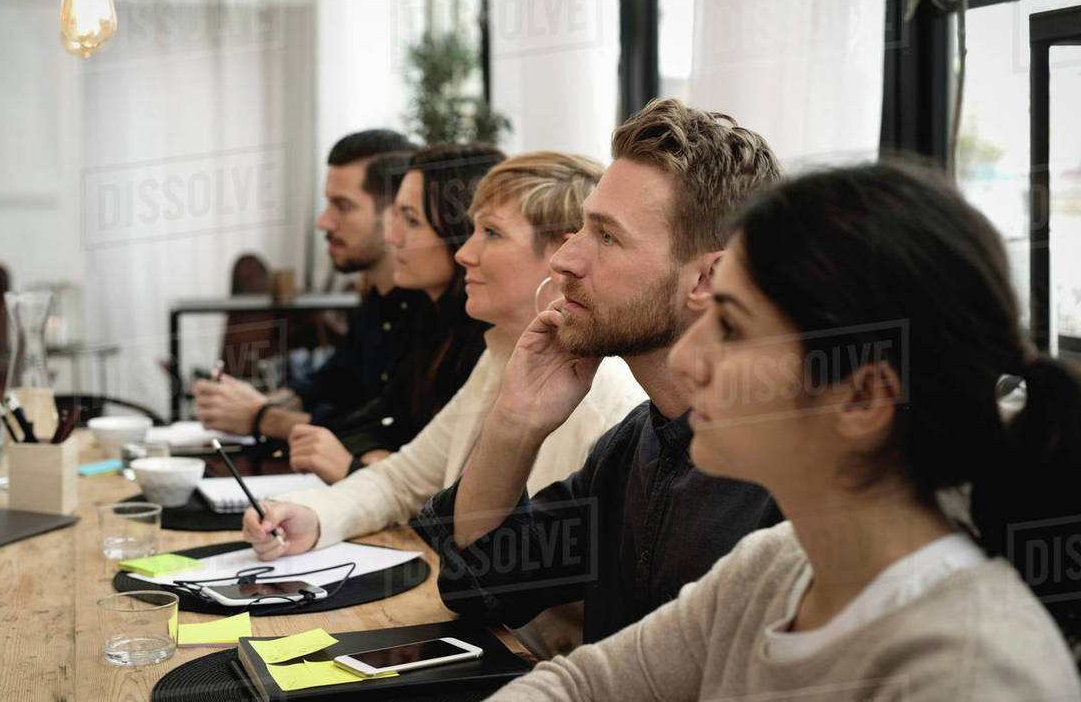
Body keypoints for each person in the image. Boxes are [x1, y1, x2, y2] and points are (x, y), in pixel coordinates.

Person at [484, 161, 1081, 701]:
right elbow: (579, 683)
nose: (691, 359)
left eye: (734, 328)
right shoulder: (775, 567)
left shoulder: (972, 674)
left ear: (864, 397)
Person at [242, 154, 647, 652]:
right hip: (483, 642)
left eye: (491, 234)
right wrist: (314, 516)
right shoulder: (502, 353)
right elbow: (403, 479)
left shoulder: (608, 402)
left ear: (562, 253)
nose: (464, 254)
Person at [415, 99, 785, 644]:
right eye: (583, 229)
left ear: (708, 280)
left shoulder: (793, 476)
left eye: (606, 237)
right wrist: (515, 422)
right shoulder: (629, 450)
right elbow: (481, 583)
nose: (564, 260)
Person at [281, 143, 505, 482]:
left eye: (411, 221)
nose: (392, 236)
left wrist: (358, 468)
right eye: (396, 216)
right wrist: (376, 459)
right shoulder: (430, 321)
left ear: (458, 230)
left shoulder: (490, 340)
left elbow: (454, 489)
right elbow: (362, 424)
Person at [194, 129, 421, 441]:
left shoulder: (430, 314)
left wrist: (262, 416)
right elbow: (333, 381)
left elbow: (381, 434)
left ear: (397, 212)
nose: (323, 222)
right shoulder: (376, 301)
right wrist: (256, 402)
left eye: (342, 206)